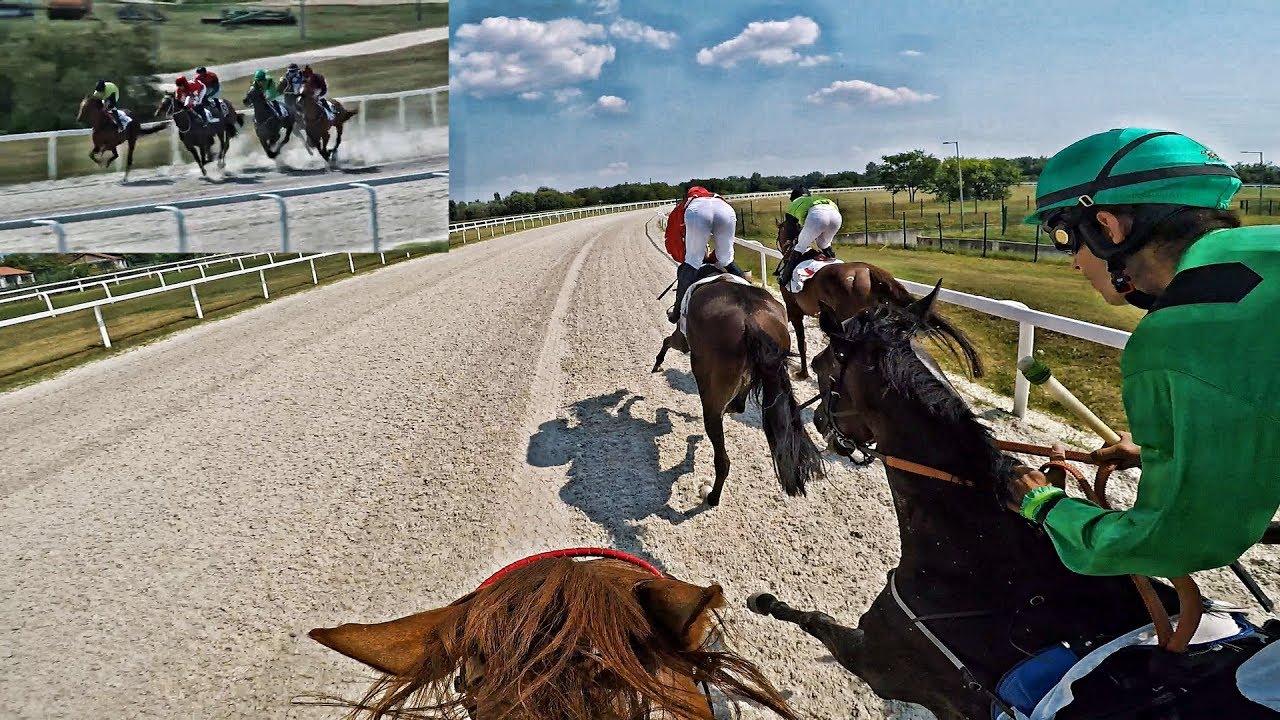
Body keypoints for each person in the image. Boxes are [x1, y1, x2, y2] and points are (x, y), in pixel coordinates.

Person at [1006, 128, 1280, 588]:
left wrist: (1045, 506)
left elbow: (1176, 541)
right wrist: (1182, 446)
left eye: (1068, 241)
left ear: (1108, 228)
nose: (1075, 263)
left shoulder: (1182, 335)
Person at [665, 186, 749, 323]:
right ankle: (750, 294)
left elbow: (672, 237)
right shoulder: (717, 198)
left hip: (697, 212)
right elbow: (724, 248)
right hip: (725, 210)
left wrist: (687, 258)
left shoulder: (686, 203)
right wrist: (715, 258)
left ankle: (677, 312)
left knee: (692, 262)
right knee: (726, 259)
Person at [774, 187, 840, 290]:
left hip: (817, 216)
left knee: (800, 247)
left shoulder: (794, 205)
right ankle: (834, 262)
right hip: (836, 215)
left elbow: (791, 232)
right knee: (823, 244)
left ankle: (784, 279)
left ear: (793, 198)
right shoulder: (815, 198)